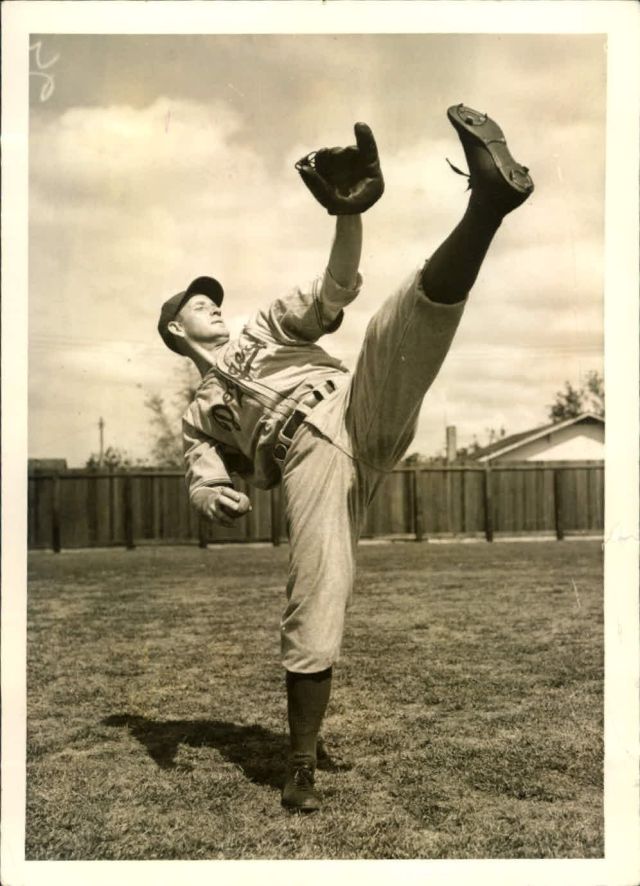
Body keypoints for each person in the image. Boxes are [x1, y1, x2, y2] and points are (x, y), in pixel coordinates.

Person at [157, 104, 534, 812]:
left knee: (399, 321)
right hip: (305, 460)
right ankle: (300, 762)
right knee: (317, 585)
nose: (213, 305)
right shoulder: (197, 411)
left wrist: (347, 215)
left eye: (213, 299)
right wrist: (213, 497)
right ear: (176, 331)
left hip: (350, 406)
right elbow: (201, 471)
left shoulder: (263, 329)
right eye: (198, 305)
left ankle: (489, 203)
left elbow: (334, 290)